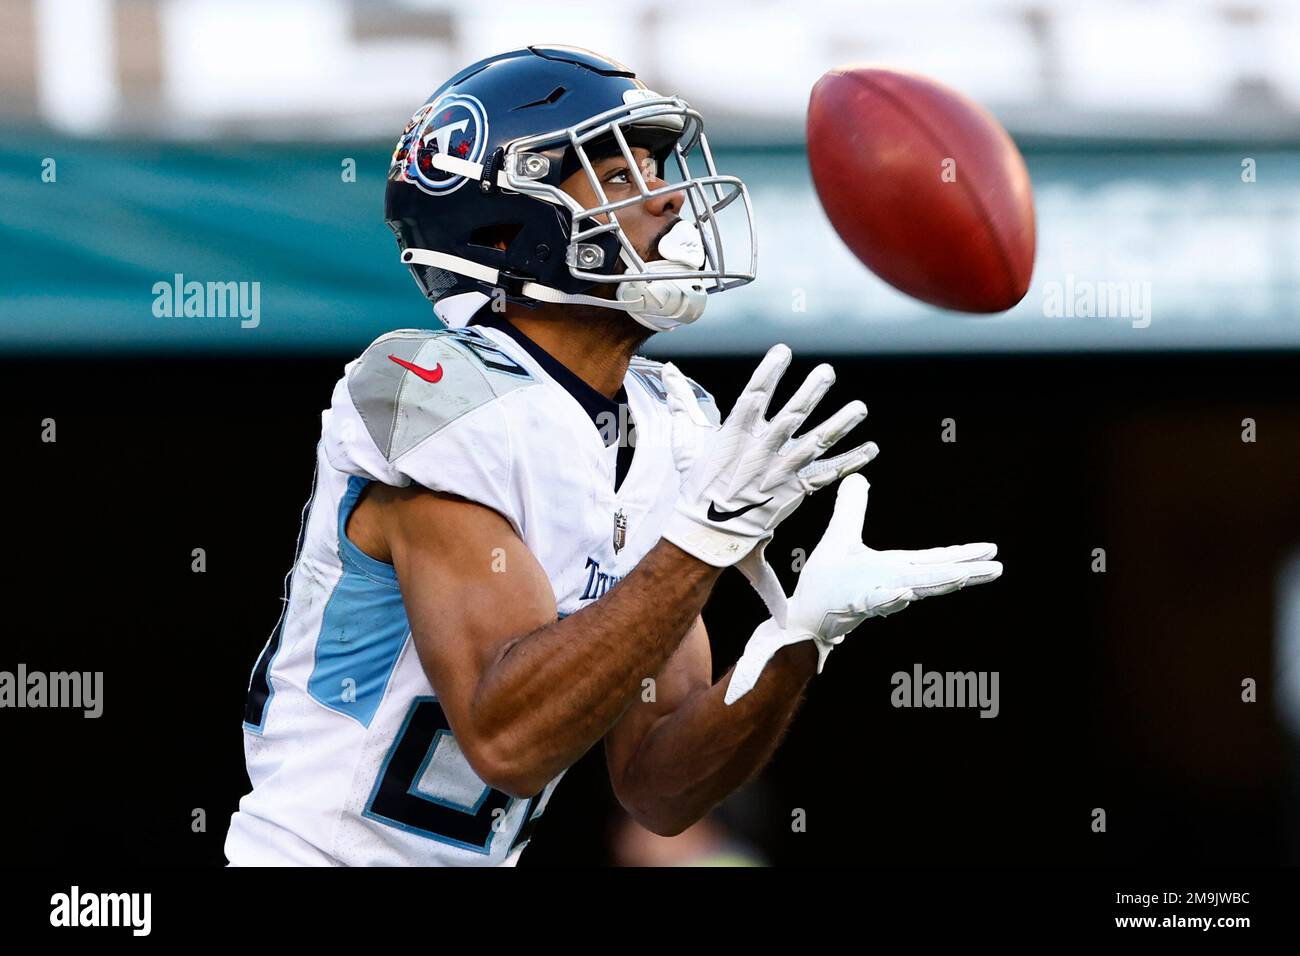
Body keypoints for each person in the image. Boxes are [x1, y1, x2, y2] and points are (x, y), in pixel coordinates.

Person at [224, 45, 1002, 866]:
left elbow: (661, 787)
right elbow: (506, 740)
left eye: (657, 168)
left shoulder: (666, 424)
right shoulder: (437, 390)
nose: (668, 201)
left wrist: (797, 643)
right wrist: (697, 546)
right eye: (622, 176)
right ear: (508, 219)